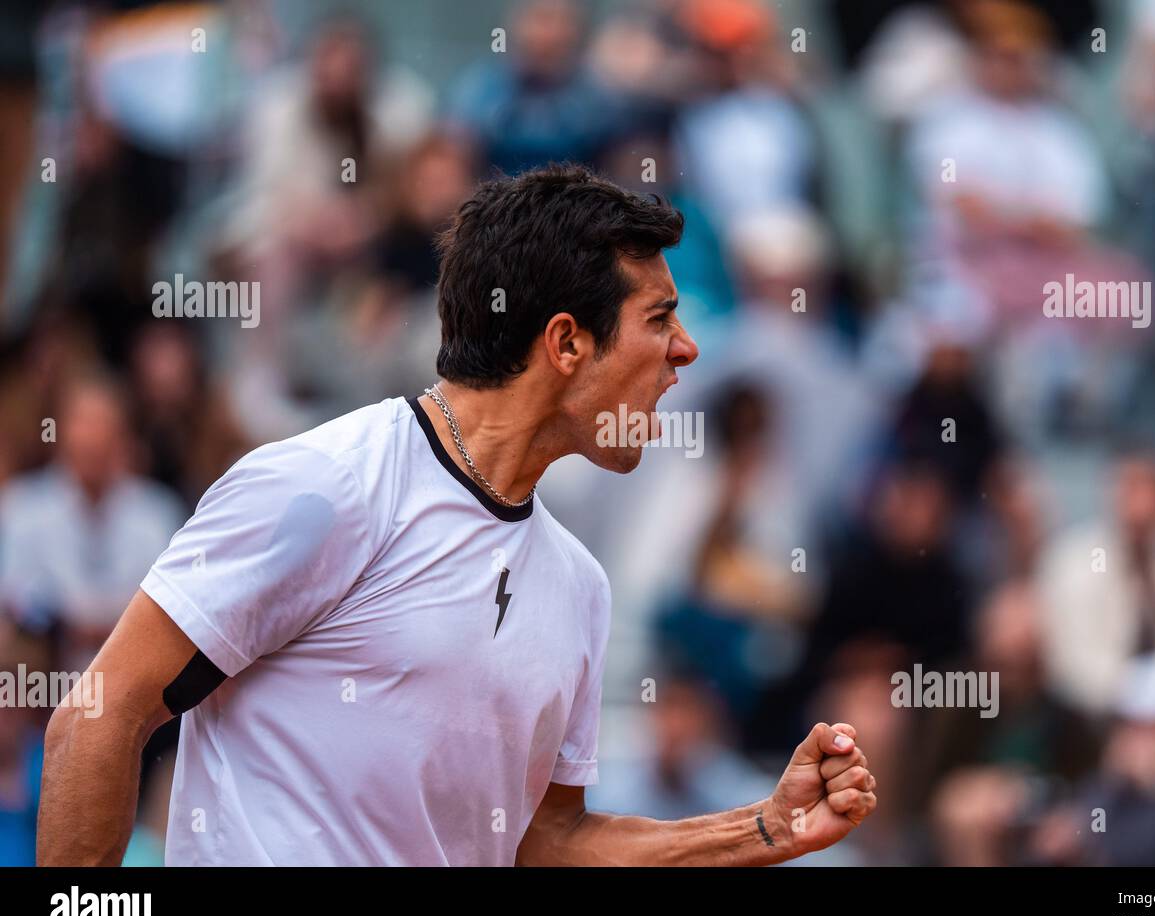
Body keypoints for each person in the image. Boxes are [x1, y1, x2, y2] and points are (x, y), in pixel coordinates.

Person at [37, 163, 877, 867]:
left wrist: (761, 828)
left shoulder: (580, 586)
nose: (687, 348)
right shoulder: (325, 485)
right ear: (566, 343)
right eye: (659, 319)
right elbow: (101, 712)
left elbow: (549, 844)